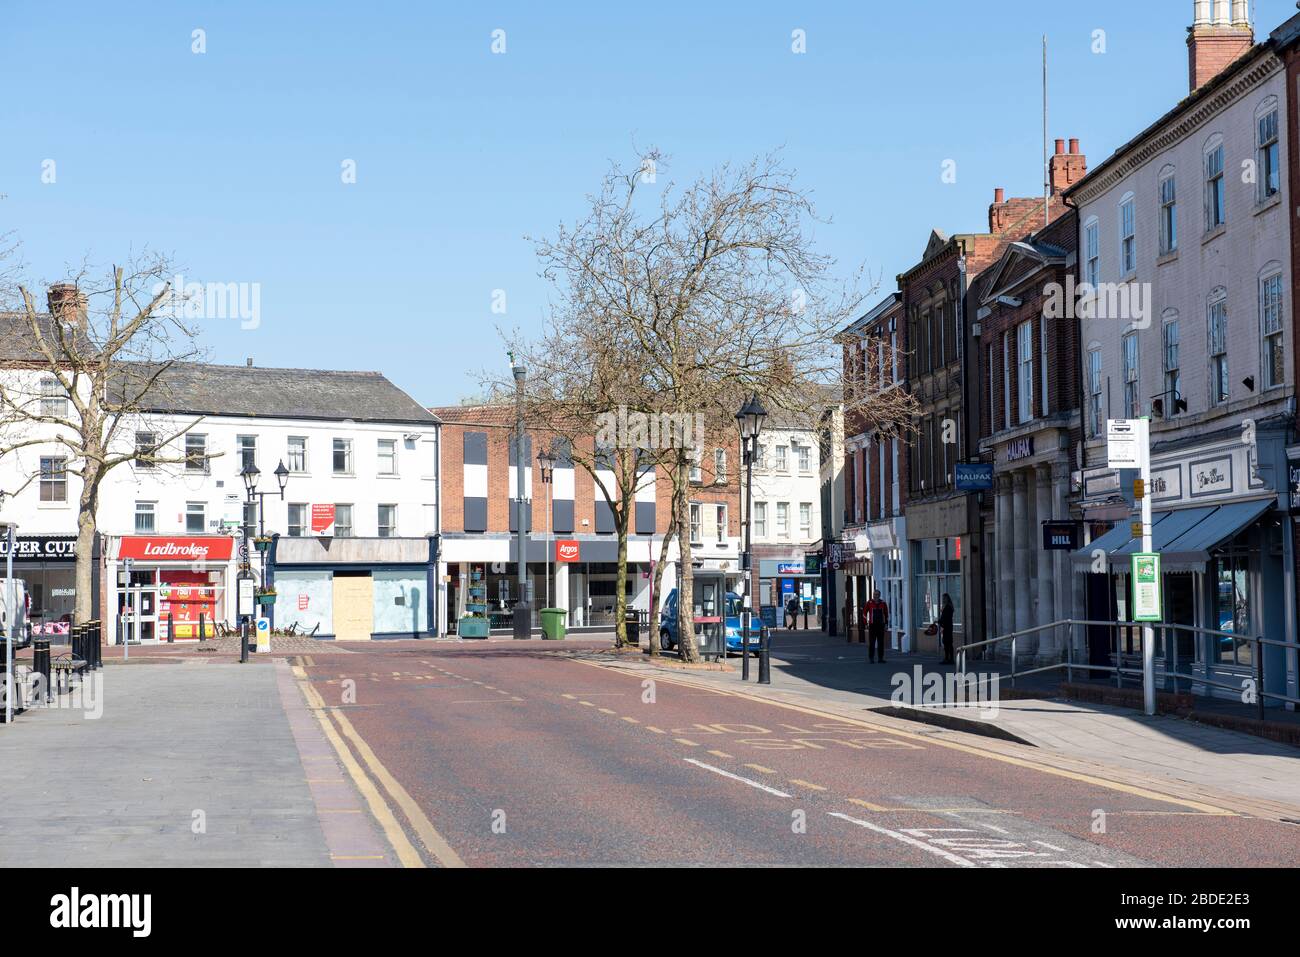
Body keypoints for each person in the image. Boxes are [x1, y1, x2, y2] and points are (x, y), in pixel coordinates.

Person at [863, 590, 889, 663]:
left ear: (879, 595)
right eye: (874, 594)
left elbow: (886, 615)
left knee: (881, 642)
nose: (876, 596)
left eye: (877, 594)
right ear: (873, 595)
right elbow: (864, 613)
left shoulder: (883, 603)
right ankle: (871, 658)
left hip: (881, 625)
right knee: (872, 642)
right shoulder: (869, 603)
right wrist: (866, 623)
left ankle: (880, 658)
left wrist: (886, 624)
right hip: (872, 625)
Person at [939, 593, 955, 664]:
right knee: (948, 643)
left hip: (947, 627)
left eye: (944, 598)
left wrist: (939, 621)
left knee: (947, 643)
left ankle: (948, 659)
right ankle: (949, 658)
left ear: (947, 599)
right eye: (942, 598)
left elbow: (945, 618)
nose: (943, 600)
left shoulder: (948, 607)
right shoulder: (947, 607)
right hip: (947, 626)